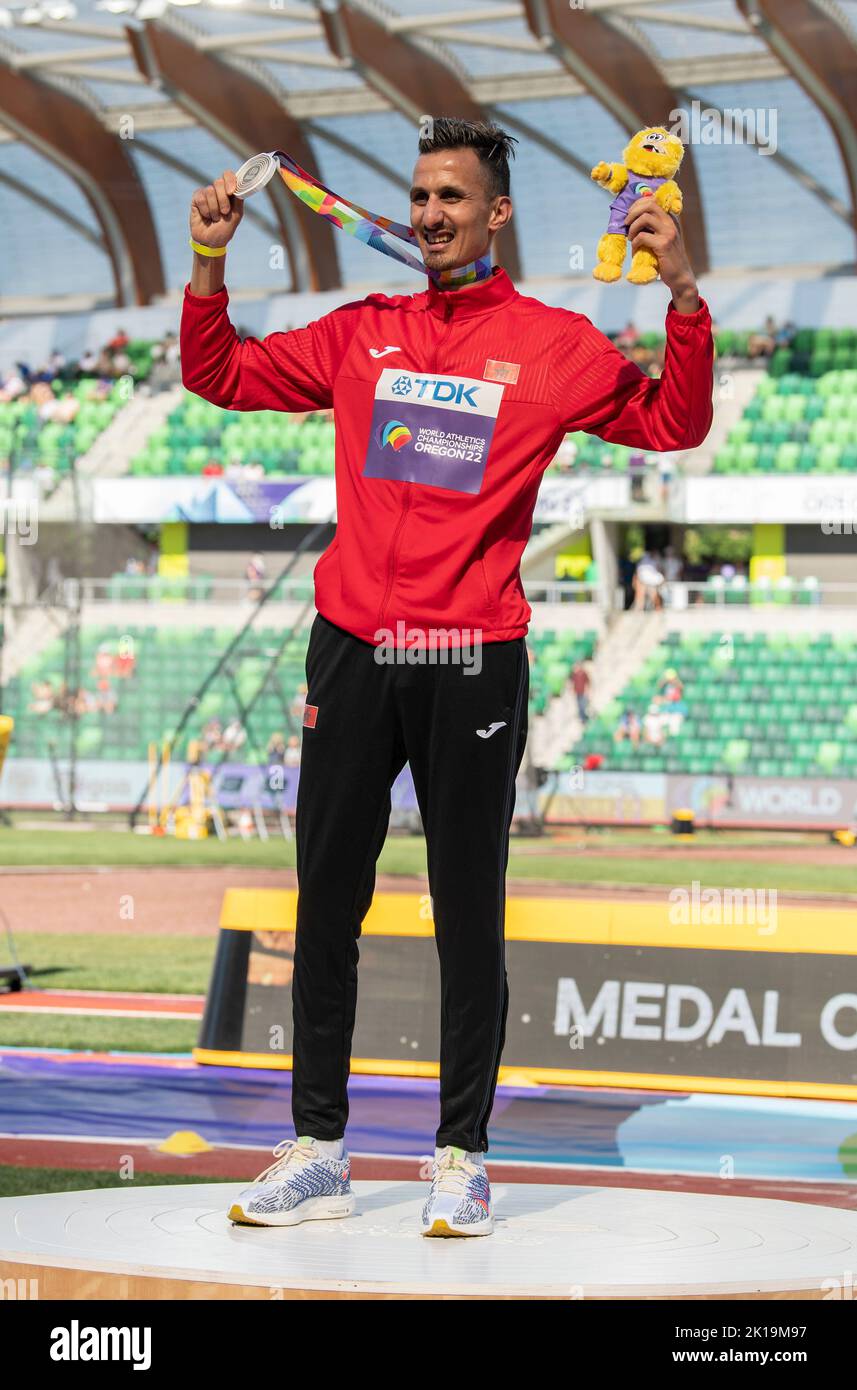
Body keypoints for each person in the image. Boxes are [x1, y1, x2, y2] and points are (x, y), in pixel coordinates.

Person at [181, 116, 714, 1237]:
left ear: (496, 215)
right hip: (351, 645)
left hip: (469, 654)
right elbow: (216, 373)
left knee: (466, 912)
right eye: (418, 197)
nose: (428, 215)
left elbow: (673, 421)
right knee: (328, 898)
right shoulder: (358, 332)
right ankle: (318, 1146)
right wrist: (210, 261)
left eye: (450, 199)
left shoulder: (554, 344)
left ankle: (461, 1156)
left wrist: (678, 294)